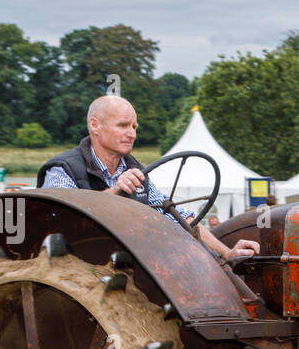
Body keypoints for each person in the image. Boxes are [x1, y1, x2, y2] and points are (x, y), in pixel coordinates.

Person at [38, 96, 258, 261]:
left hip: (126, 260)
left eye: (134, 127)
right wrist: (114, 193)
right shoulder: (63, 170)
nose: (132, 133)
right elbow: (63, 218)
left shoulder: (137, 172)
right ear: (95, 125)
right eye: (123, 125)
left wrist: (227, 253)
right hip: (76, 263)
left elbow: (177, 217)